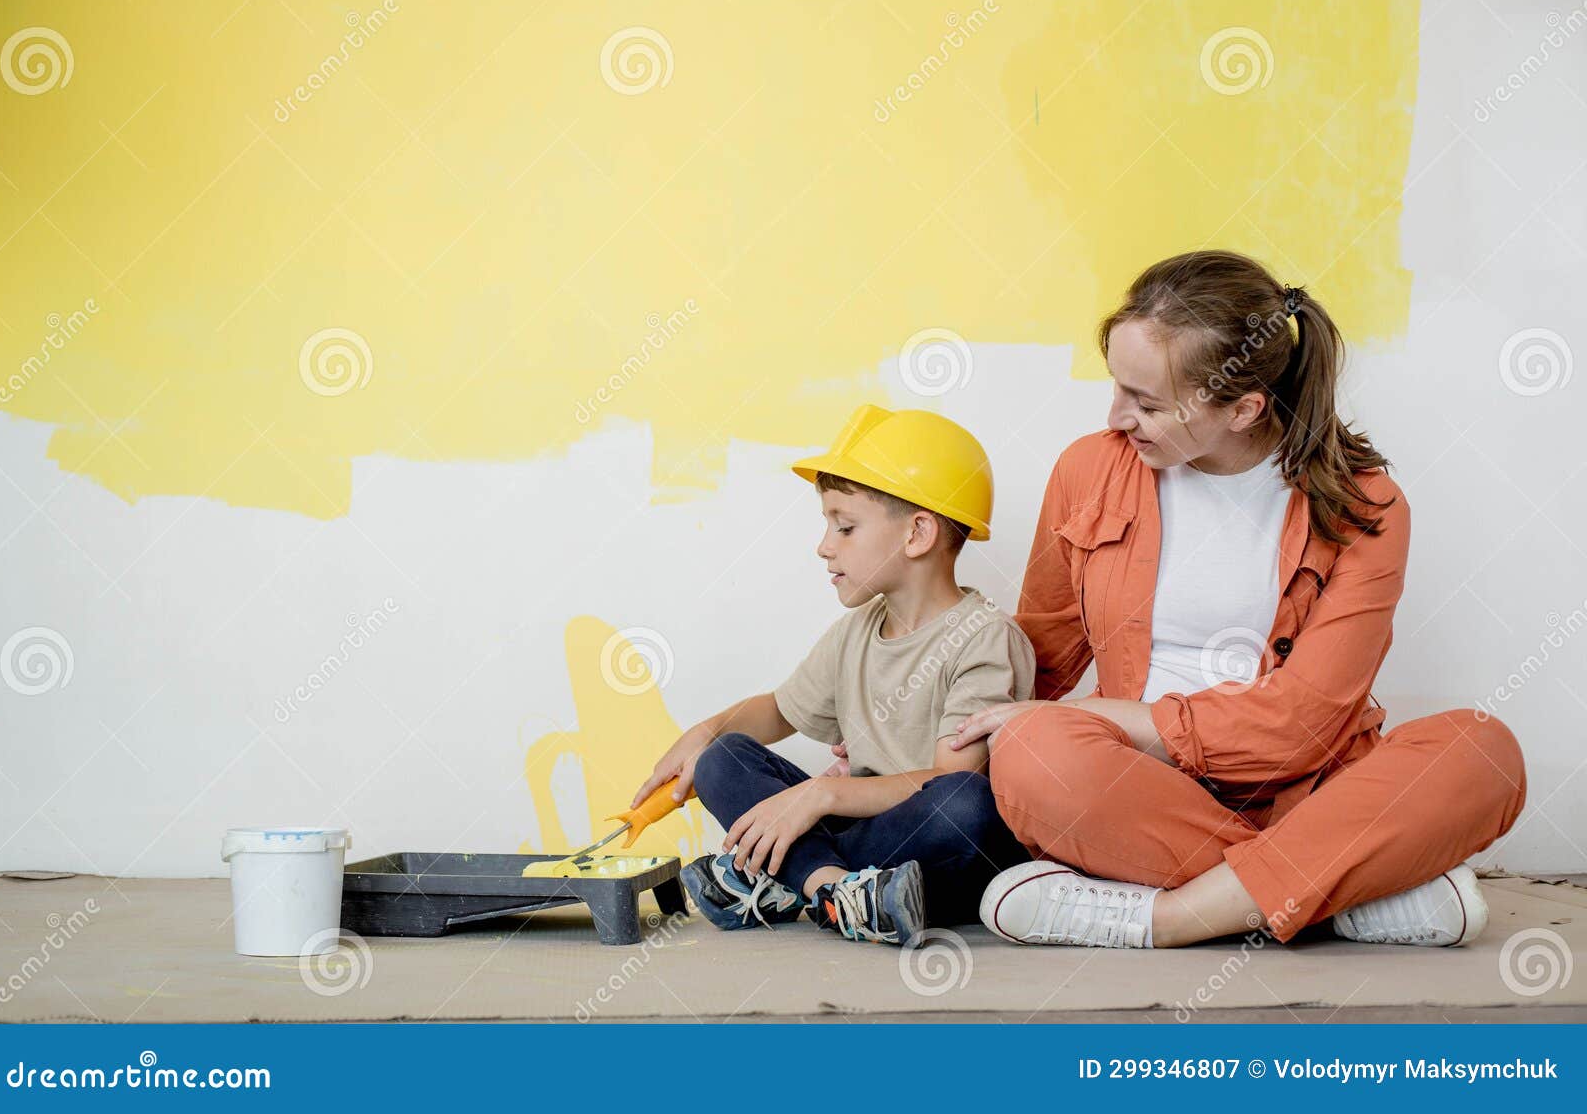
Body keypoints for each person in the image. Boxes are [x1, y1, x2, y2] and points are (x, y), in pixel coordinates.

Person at [954, 250, 1526, 950]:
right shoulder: (1090, 468)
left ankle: (1164, 918)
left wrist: (1121, 716)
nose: (1117, 417)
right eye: (1117, 387)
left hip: (1316, 789)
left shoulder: (1365, 505)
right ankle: (1337, 892)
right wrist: (921, 733)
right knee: (1034, 749)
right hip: (1147, 793)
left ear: (1244, 408)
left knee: (1483, 751)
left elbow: (1305, 722)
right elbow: (1036, 655)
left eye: (1147, 403)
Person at [632, 404, 1034, 946]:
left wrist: (819, 796)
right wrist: (704, 733)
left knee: (964, 802)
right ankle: (834, 890)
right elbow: (777, 711)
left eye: (844, 526)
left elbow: (945, 781)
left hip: (934, 846)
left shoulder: (985, 638)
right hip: (864, 842)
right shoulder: (855, 631)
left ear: (918, 533)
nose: (824, 546)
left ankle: (785, 877)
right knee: (724, 757)